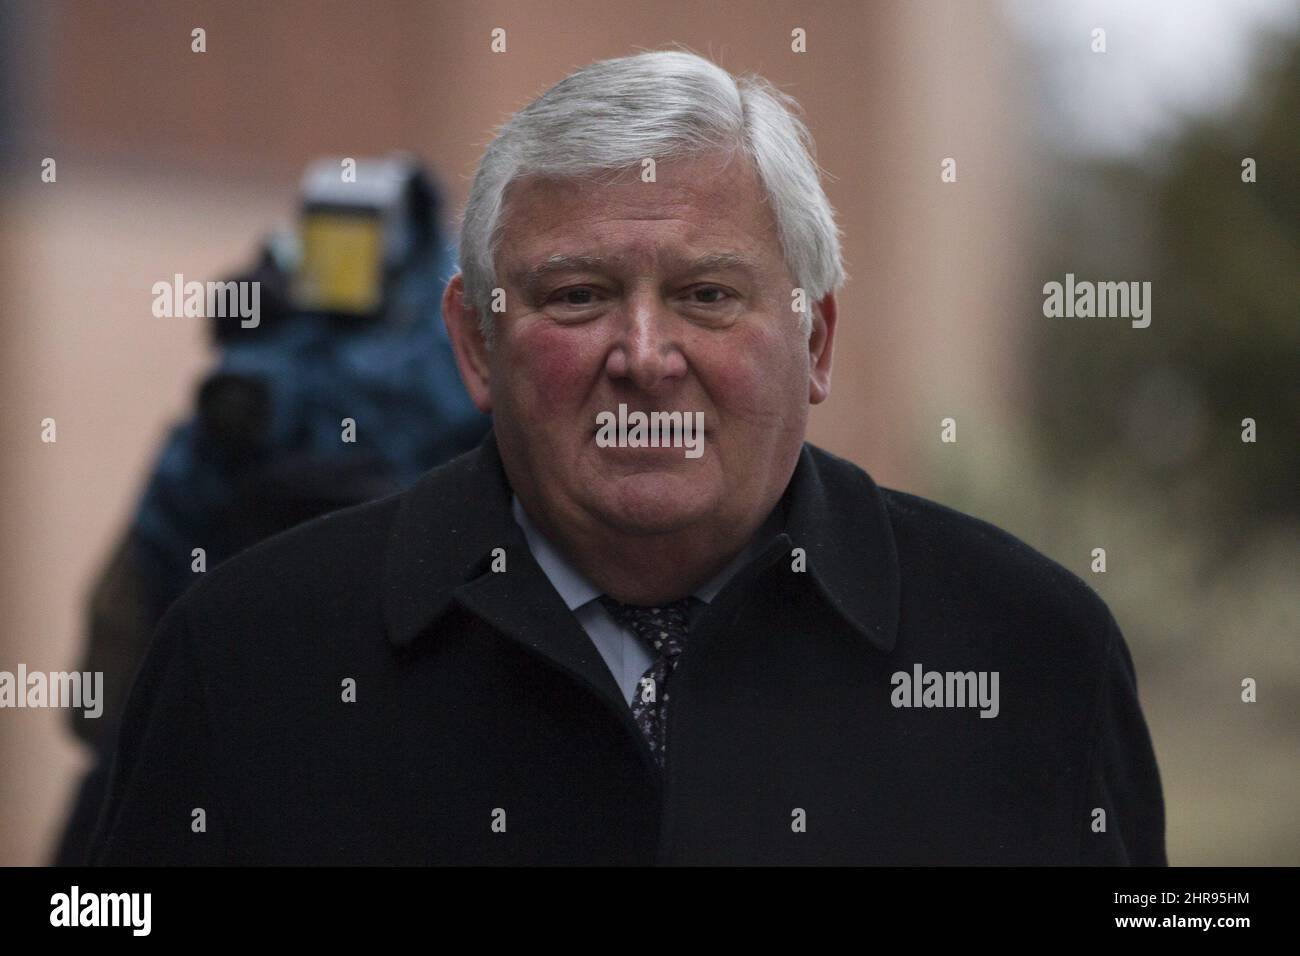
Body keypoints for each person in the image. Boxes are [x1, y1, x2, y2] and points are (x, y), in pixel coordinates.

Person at [90, 50, 1166, 865]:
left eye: (707, 294)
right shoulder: (243, 658)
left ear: (816, 340)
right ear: (474, 343)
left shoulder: (1034, 656)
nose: (644, 357)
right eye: (576, 296)